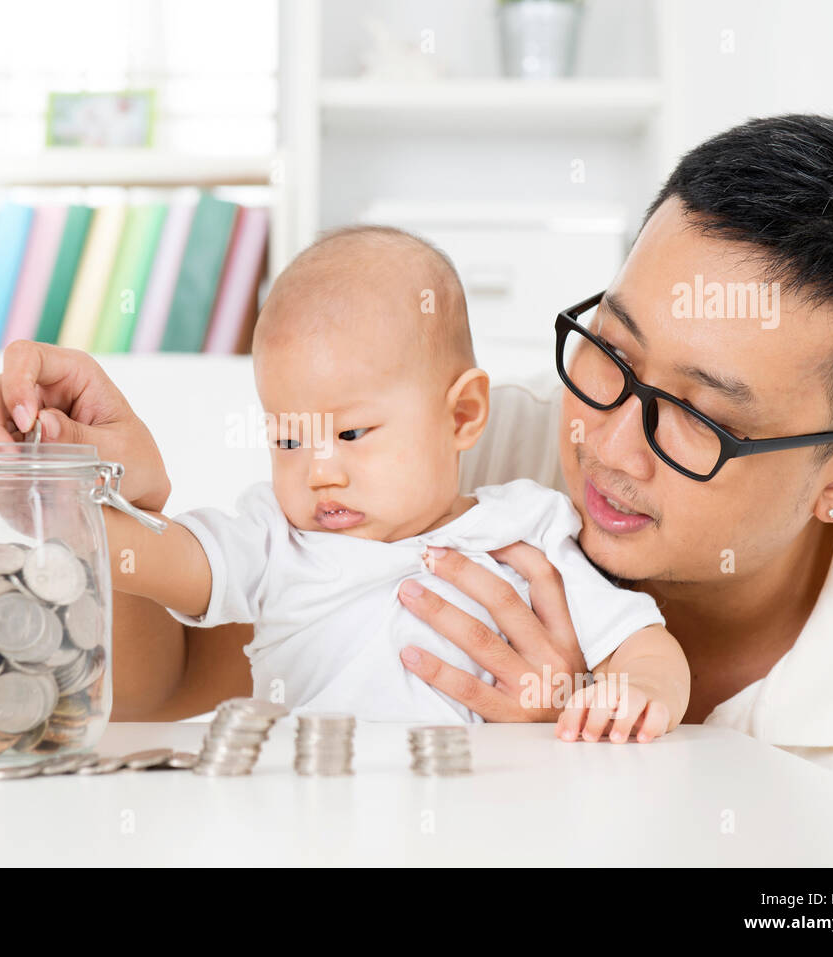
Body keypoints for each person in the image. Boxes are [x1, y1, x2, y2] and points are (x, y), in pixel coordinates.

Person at [0, 114, 833, 802]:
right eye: (612, 350)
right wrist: (112, 497)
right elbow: (162, 686)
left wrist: (555, 757)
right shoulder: (460, 455)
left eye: (697, 418)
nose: (607, 442)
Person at [95, 226, 689, 737]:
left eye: (352, 434)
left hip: (476, 816)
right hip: (308, 810)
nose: (320, 472)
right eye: (288, 440)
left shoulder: (527, 528)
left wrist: (636, 693)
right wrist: (80, 504)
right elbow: (172, 558)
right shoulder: (276, 534)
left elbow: (638, 641)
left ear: (462, 415)